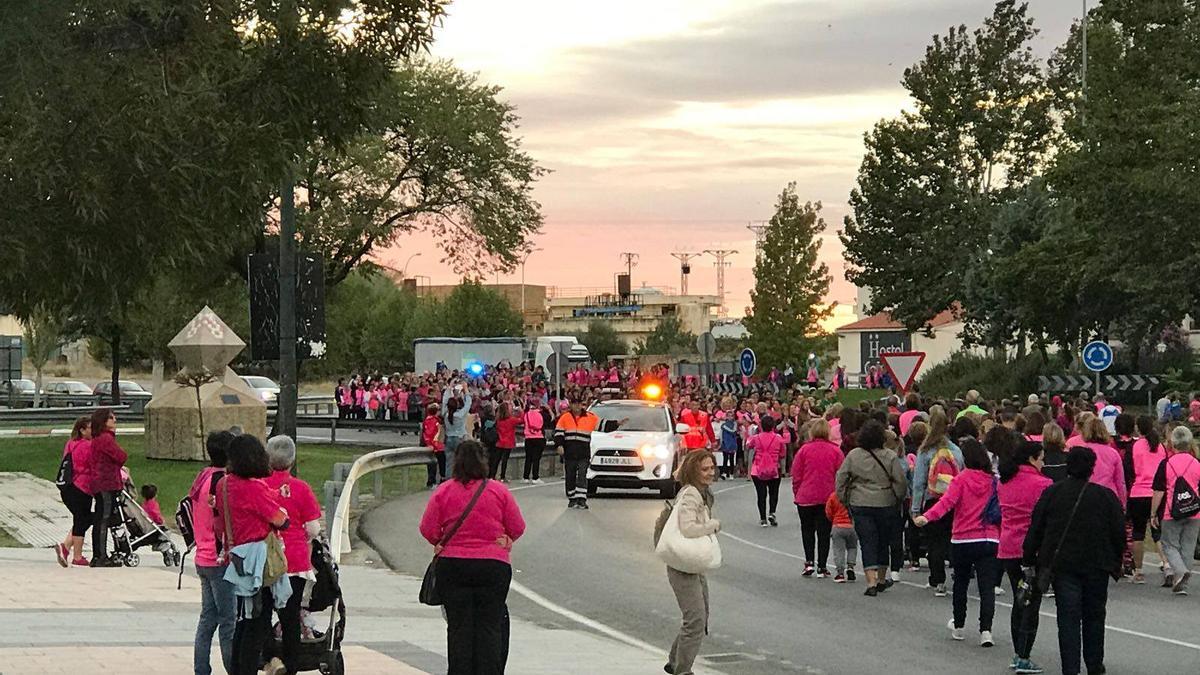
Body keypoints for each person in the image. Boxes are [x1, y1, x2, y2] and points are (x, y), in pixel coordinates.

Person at [419, 440, 525, 675]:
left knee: (459, 628)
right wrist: (506, 540)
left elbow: (427, 528)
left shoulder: (445, 491)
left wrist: (440, 541)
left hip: (454, 565)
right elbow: (517, 526)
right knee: (490, 626)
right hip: (492, 565)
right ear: (483, 462)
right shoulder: (498, 491)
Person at [1024, 447, 1124, 675]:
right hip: (1097, 564)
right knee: (1095, 616)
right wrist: (1116, 561)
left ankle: (1070, 667)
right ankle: (1094, 664)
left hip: (1063, 565)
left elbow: (1037, 528)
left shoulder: (1053, 493)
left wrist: (1029, 557)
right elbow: (1118, 531)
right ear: (1092, 468)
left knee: (1068, 619)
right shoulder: (1106, 496)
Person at [214, 435, 291, 675]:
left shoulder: (224, 484)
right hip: (258, 559)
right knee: (258, 623)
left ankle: (236, 669)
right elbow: (280, 520)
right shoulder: (254, 488)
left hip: (236, 557)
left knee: (243, 621)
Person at [915, 438, 1001, 647]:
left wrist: (927, 516)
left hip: (963, 538)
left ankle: (960, 624)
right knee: (986, 587)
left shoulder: (961, 480)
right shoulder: (994, 481)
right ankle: (986, 630)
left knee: (961, 583)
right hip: (989, 537)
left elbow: (947, 503)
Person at [264, 436, 324, 675]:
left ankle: (269, 657)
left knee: (262, 613)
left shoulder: (260, 485)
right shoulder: (300, 488)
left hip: (267, 561)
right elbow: (313, 528)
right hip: (295, 561)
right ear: (292, 459)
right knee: (290, 618)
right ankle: (291, 665)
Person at [660, 450, 720, 675]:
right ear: (693, 470)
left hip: (691, 562)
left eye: (712, 468)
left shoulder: (701, 493)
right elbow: (687, 528)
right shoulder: (691, 495)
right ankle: (682, 670)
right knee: (695, 619)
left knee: (699, 615)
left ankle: (675, 661)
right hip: (682, 563)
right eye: (704, 469)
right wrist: (712, 525)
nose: (710, 473)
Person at [835, 420, 908, 597]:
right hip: (885, 501)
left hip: (860, 501)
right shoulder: (889, 456)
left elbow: (841, 478)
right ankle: (882, 578)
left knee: (867, 541)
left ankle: (871, 581)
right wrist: (897, 498)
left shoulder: (854, 456)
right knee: (883, 541)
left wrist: (845, 499)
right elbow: (900, 481)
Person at [998, 440, 1052, 673]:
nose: (1044, 462)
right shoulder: (1043, 484)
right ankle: (1024, 655)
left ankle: (1018, 652)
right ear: (1032, 459)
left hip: (1009, 545)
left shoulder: (1004, 481)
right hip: (1033, 549)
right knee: (1032, 602)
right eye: (1041, 458)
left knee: (1019, 599)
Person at [191, 430, 236, 675]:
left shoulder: (202, 477)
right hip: (221, 558)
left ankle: (201, 669)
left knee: (208, 619)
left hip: (202, 554)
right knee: (228, 622)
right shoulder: (223, 482)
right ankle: (234, 668)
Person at [911, 408, 962, 596]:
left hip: (932, 500)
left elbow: (919, 482)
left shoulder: (925, 451)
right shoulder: (955, 451)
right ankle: (957, 573)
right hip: (952, 501)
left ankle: (937, 579)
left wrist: (916, 508)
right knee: (951, 539)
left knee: (935, 542)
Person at [1151, 425, 1200, 595]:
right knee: (1188, 546)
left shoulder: (1166, 464)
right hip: (1194, 510)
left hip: (1171, 510)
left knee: (1169, 544)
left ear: (1173, 443)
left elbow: (1158, 490)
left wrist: (1153, 513)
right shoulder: (1197, 463)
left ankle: (1180, 571)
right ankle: (1182, 582)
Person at [792, 418, 843, 577]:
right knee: (824, 532)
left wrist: (797, 493)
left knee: (807, 530)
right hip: (827, 496)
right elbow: (840, 475)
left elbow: (796, 475)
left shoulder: (804, 450)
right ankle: (822, 565)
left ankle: (809, 562)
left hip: (806, 496)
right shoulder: (835, 451)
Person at [86, 408, 127, 567]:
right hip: (106, 483)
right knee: (103, 519)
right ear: (103, 422)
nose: (114, 420)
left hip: (99, 483)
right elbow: (121, 456)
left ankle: (99, 554)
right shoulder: (105, 439)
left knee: (100, 518)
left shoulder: (98, 439)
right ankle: (101, 555)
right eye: (111, 418)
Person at [1127, 416, 1163, 584]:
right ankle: (1166, 563)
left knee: (1138, 533)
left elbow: (1130, 469)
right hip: (1157, 492)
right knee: (1158, 531)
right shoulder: (1160, 447)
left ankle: (1139, 571)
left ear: (1138, 429)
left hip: (1139, 491)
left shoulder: (1135, 446)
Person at [55, 416, 94, 568]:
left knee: (82, 518)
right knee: (82, 519)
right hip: (80, 487)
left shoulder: (71, 444)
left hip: (67, 487)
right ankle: (77, 556)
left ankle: (65, 547)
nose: (93, 430)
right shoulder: (86, 446)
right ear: (82, 430)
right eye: (90, 428)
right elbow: (89, 465)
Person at [554, 398, 599, 510]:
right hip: (569, 452)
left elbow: (602, 425)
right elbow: (558, 433)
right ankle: (572, 498)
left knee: (582, 475)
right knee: (570, 475)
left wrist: (616, 424)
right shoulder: (565, 417)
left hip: (583, 452)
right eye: (575, 404)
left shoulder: (590, 417)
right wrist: (559, 445)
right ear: (571, 405)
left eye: (579, 404)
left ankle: (582, 499)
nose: (577, 407)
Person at [746, 416, 784, 527]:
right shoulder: (778, 438)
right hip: (774, 469)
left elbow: (748, 445)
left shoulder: (756, 437)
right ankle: (772, 512)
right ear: (773, 426)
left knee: (761, 494)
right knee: (774, 492)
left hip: (758, 469)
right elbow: (782, 454)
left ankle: (763, 519)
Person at [825, 491, 857, 583]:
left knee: (839, 550)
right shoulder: (853, 494)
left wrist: (833, 519)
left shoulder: (834, 495)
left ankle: (840, 573)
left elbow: (828, 511)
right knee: (852, 547)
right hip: (852, 525)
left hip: (838, 525)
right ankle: (850, 567)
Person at [493, 402, 520, 482]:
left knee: (496, 460)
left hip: (499, 442)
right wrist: (520, 411)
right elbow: (522, 420)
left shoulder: (498, 420)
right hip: (508, 442)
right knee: (505, 460)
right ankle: (502, 476)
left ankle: (493, 475)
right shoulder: (511, 420)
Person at [521, 402, 546, 483]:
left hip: (528, 437)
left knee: (528, 458)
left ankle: (526, 477)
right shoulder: (541, 414)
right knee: (536, 458)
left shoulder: (526, 414)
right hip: (539, 437)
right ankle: (535, 477)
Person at [422, 403, 446, 487]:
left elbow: (426, 434)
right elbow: (432, 433)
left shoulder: (427, 420)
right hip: (438, 446)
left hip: (432, 445)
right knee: (440, 463)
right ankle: (438, 479)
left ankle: (432, 480)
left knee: (432, 463)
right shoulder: (435, 421)